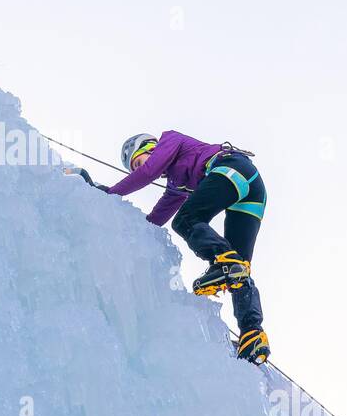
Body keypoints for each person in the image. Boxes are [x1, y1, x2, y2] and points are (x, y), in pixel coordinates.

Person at [101, 130, 270, 364]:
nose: (142, 169)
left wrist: (107, 195)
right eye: (136, 167)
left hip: (232, 167)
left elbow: (148, 173)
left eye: (139, 162)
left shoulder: (169, 139)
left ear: (150, 147)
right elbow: (154, 221)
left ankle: (224, 261)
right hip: (252, 190)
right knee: (239, 268)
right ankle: (253, 333)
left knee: (185, 221)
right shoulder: (175, 185)